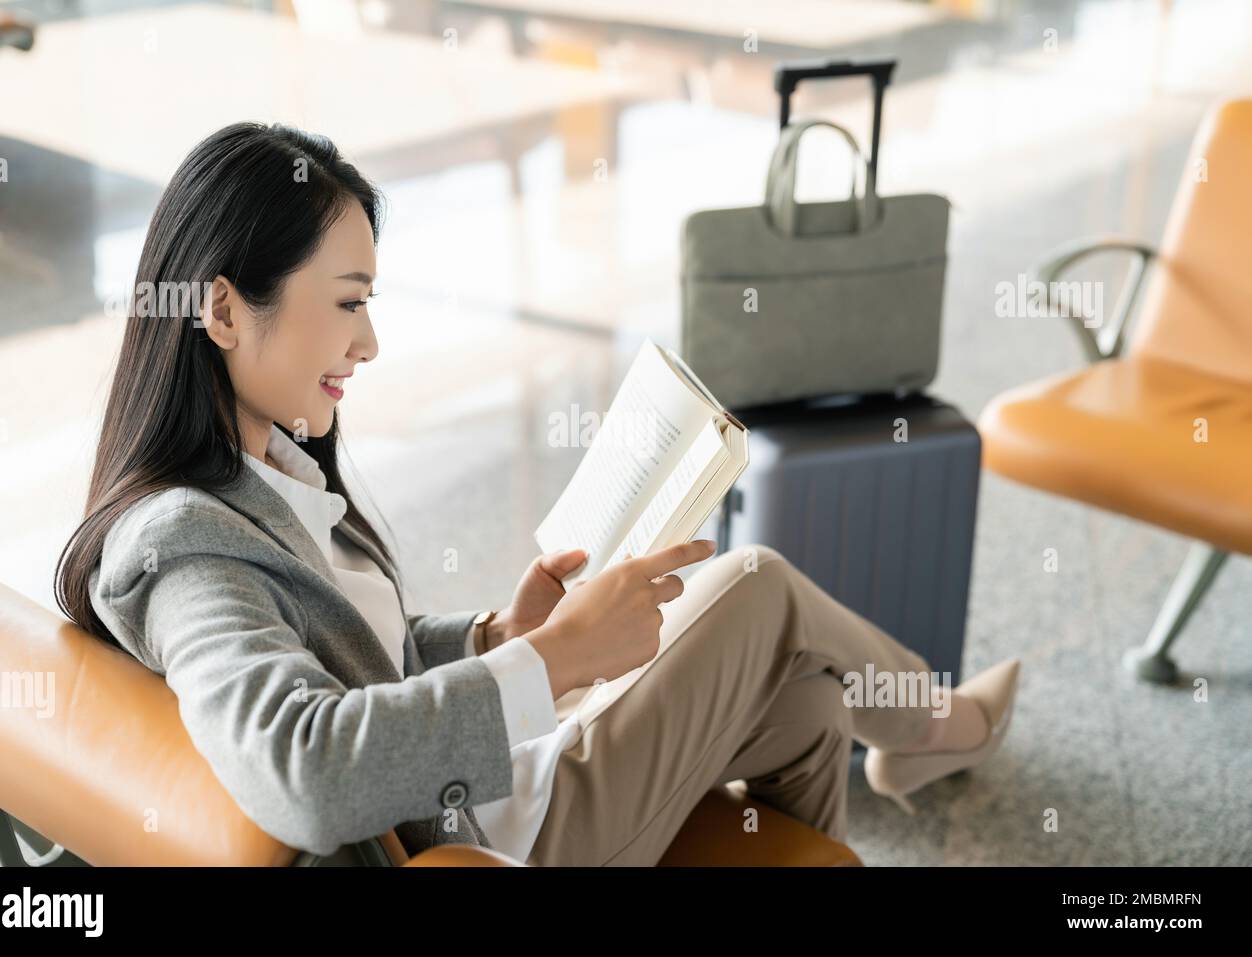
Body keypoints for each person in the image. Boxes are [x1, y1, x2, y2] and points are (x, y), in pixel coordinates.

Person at [55, 121, 1020, 866]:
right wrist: (553, 663)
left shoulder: (264, 479)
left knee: (808, 702)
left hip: (493, 786)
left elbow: (356, 656)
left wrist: (494, 639)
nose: (369, 343)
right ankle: (935, 726)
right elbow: (303, 767)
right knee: (757, 582)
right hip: (490, 841)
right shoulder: (179, 548)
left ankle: (913, 732)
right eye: (348, 301)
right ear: (222, 309)